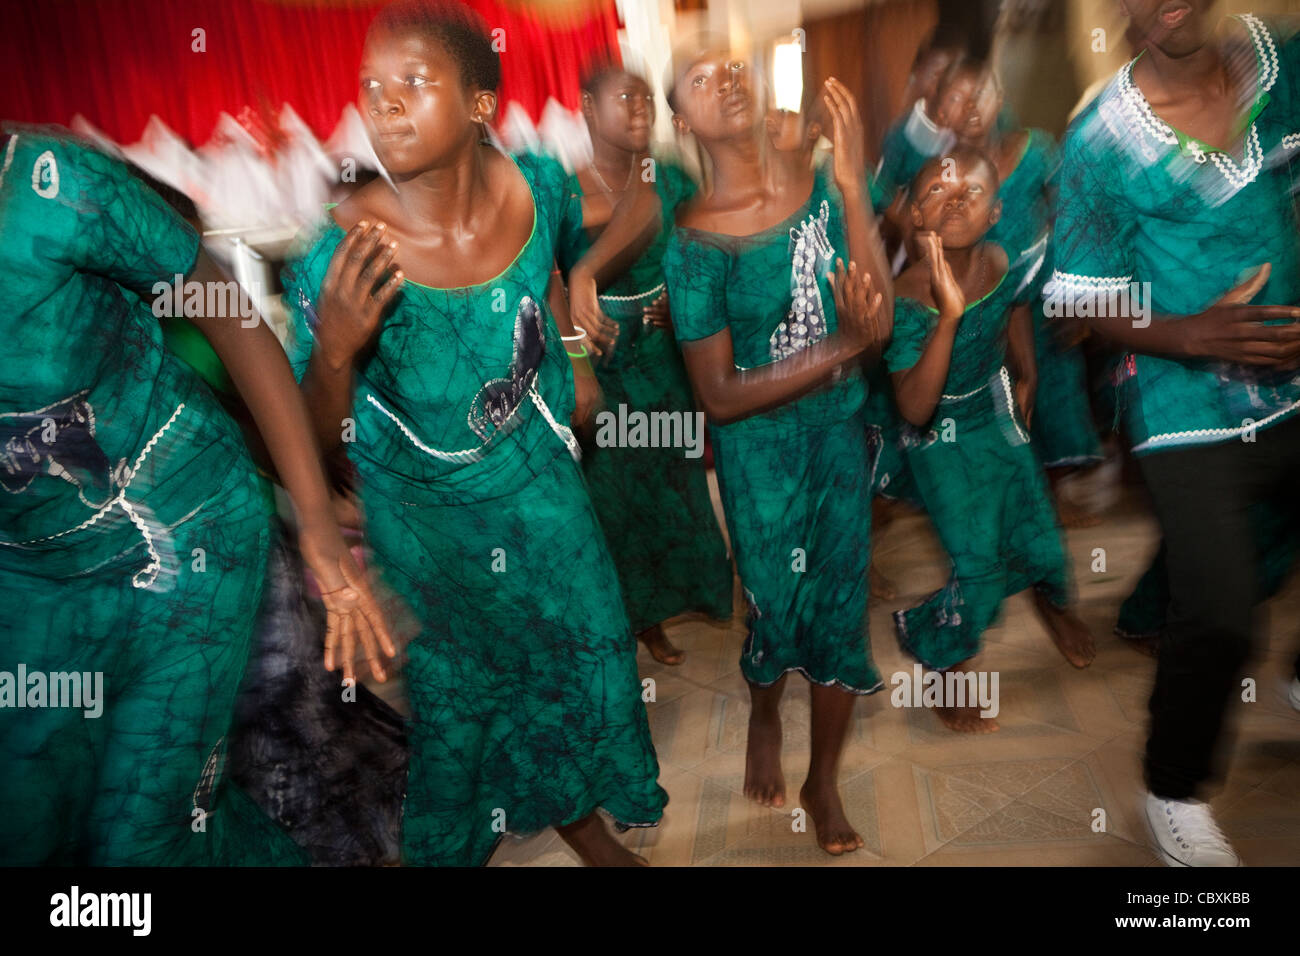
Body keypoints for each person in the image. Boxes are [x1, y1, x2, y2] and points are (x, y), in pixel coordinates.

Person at [285, 0, 666, 866]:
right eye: (371, 88)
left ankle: (585, 831)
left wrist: (581, 283)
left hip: (541, 487)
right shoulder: (340, 253)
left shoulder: (538, 184)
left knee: (582, 661)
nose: (383, 105)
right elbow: (316, 437)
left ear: (481, 104)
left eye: (412, 83)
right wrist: (336, 350)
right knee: (462, 705)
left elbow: (631, 212)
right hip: (428, 522)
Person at [0, 127, 393, 865]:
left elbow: (245, 338)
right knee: (32, 821)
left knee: (142, 838)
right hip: (31, 578)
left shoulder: (58, 193)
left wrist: (316, 521)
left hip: (180, 536)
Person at [1050, 1, 1300, 865]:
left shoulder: (1279, 64)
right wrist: (1193, 332)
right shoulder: (1100, 141)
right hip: (1180, 401)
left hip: (1296, 376)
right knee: (1221, 609)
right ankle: (1172, 789)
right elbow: (1078, 296)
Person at [661, 44, 892, 855]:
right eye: (699, 77)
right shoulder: (692, 243)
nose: (725, 77)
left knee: (838, 615)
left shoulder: (822, 182)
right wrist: (838, 348)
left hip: (837, 438)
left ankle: (822, 779)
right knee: (775, 608)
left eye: (731, 66)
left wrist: (858, 187)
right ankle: (764, 706)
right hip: (757, 459)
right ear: (681, 120)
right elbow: (718, 394)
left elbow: (882, 319)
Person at [887, 149, 1096, 733]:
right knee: (977, 559)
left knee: (1035, 523)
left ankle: (1051, 602)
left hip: (995, 406)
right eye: (935, 192)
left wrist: (1025, 371)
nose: (954, 201)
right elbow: (914, 406)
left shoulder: (1000, 258)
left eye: (971, 193)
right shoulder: (904, 296)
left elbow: (1013, 309)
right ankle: (945, 661)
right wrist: (949, 315)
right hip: (937, 433)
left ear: (996, 211)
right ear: (912, 214)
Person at [557, 62, 734, 667]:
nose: (639, 109)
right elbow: (549, 287)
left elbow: (701, 247)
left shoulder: (673, 176)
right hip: (603, 368)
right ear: (586, 105)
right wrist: (576, 347)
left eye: (645, 100)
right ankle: (631, 618)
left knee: (675, 484)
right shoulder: (561, 190)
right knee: (614, 499)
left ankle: (666, 608)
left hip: (665, 361)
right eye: (624, 98)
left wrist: (679, 300)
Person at [931, 58, 1104, 526]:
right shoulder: (944, 178)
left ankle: (1052, 491)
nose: (969, 106)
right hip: (987, 306)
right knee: (1003, 398)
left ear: (1000, 99)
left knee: (1055, 387)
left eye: (979, 93)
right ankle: (1011, 500)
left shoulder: (1034, 149)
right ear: (939, 113)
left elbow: (1067, 215)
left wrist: (1078, 289)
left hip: (1047, 295)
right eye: (954, 98)